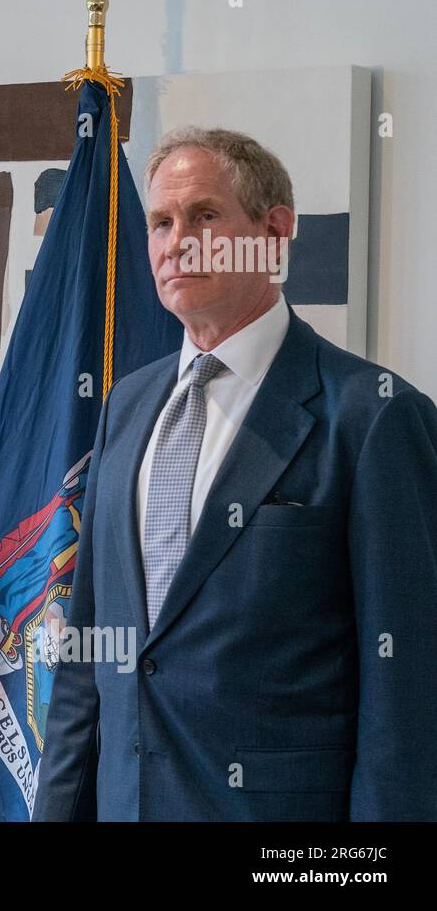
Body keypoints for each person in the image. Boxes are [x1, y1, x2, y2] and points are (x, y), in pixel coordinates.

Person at [33, 127, 437, 821]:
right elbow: (85, 659)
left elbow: (407, 697)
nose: (174, 241)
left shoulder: (374, 419)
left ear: (274, 232)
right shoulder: (126, 406)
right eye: (160, 222)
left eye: (205, 215)